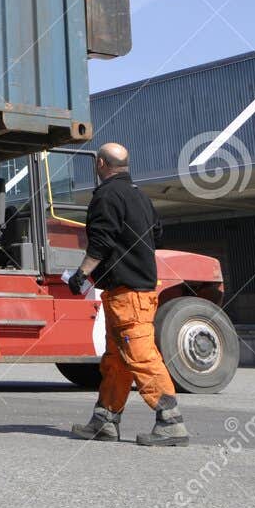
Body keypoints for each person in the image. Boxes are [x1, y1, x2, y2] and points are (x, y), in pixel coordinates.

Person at [67, 142, 188, 447]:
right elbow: (156, 234)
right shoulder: (139, 196)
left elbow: (101, 241)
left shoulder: (106, 196)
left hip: (127, 293)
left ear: (99, 164)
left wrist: (82, 274)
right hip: (136, 290)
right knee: (116, 360)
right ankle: (105, 421)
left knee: (141, 357)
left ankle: (171, 422)